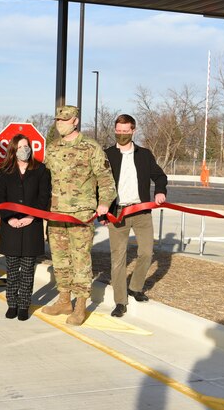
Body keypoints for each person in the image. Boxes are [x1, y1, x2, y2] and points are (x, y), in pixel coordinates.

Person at [42, 106, 117, 326]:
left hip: (81, 215)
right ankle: (64, 300)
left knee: (80, 260)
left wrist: (104, 203)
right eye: (57, 120)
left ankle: (80, 306)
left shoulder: (90, 148)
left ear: (75, 121)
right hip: (56, 214)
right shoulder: (52, 149)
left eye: (64, 120)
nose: (59, 123)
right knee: (60, 259)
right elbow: (44, 180)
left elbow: (105, 179)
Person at [101, 114, 167, 317]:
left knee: (146, 253)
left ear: (133, 131)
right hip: (117, 213)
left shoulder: (144, 155)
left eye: (125, 131)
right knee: (118, 258)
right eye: (118, 131)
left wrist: (160, 191)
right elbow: (98, 184)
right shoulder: (106, 155)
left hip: (141, 211)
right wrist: (102, 212)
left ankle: (136, 287)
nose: (121, 135)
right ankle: (120, 301)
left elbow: (159, 176)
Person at [0, 134, 51, 321]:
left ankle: (24, 305)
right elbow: (0, 196)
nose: (23, 150)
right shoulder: (5, 170)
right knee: (12, 268)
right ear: (13, 150)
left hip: (31, 225)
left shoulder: (40, 169)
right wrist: (8, 218)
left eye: (26, 146)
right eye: (19, 147)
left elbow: (44, 197)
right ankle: (12, 303)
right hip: (10, 225)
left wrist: (31, 216)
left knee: (27, 269)